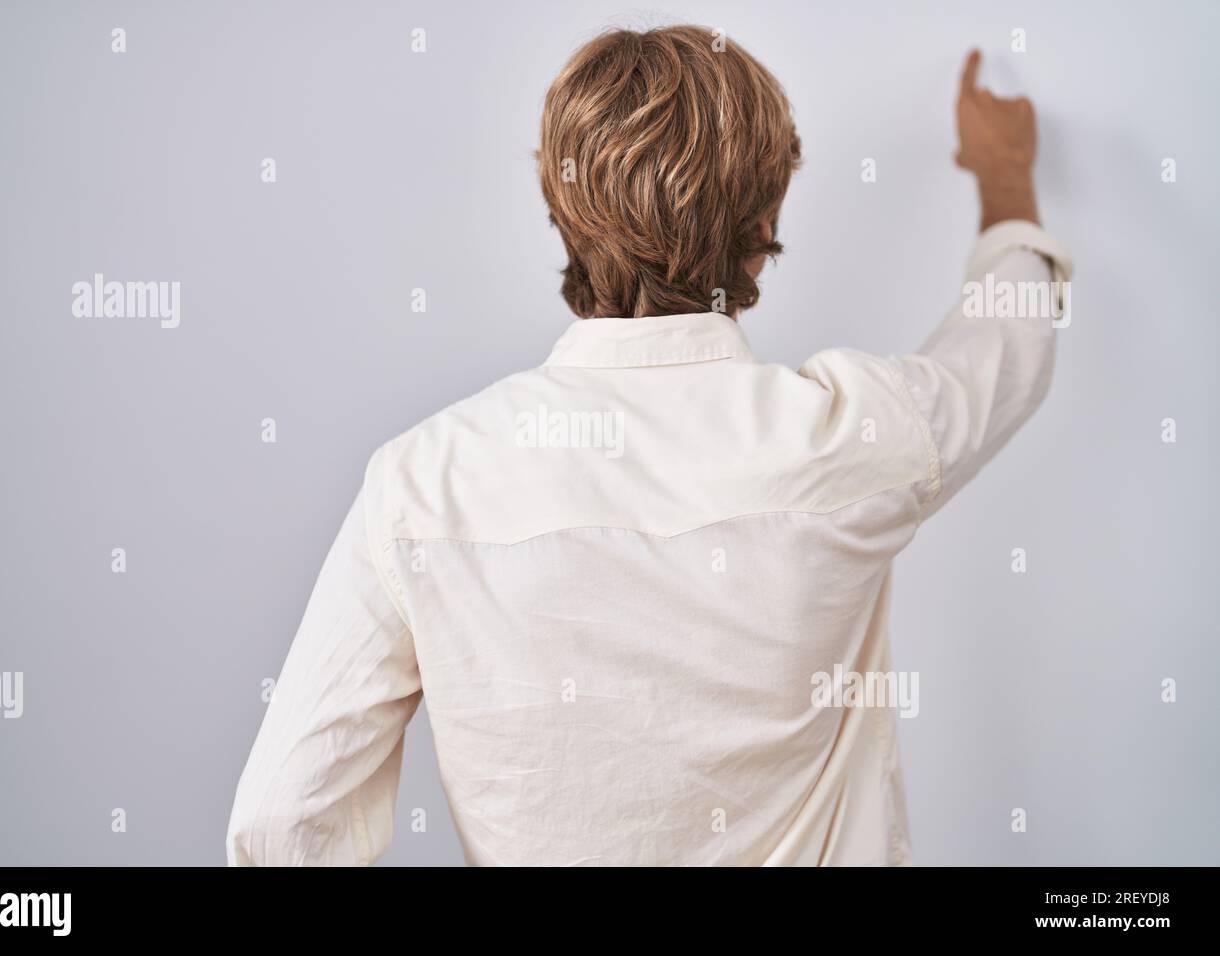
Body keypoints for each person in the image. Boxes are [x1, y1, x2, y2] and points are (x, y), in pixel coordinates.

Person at [226, 27, 1072, 866]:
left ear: (559, 204)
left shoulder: (422, 482)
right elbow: (1010, 347)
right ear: (766, 215)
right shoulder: (855, 435)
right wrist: (1006, 174)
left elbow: (281, 826)